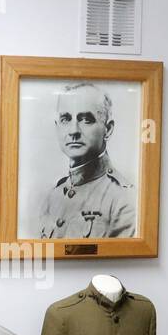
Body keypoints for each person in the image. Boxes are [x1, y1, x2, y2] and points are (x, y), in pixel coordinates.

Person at [36, 82, 136, 239]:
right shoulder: (52, 197)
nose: (74, 131)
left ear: (108, 129)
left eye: (85, 119)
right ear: (57, 127)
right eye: (65, 119)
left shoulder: (124, 199)